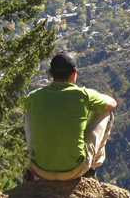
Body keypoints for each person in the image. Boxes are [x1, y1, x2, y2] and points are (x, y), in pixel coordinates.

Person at [24, 51, 118, 181]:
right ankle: (92, 166)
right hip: (75, 170)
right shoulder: (83, 95)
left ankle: (30, 160)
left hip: (39, 169)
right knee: (104, 111)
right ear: (75, 73)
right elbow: (112, 103)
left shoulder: (34, 96)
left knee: (29, 111)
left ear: (51, 73)